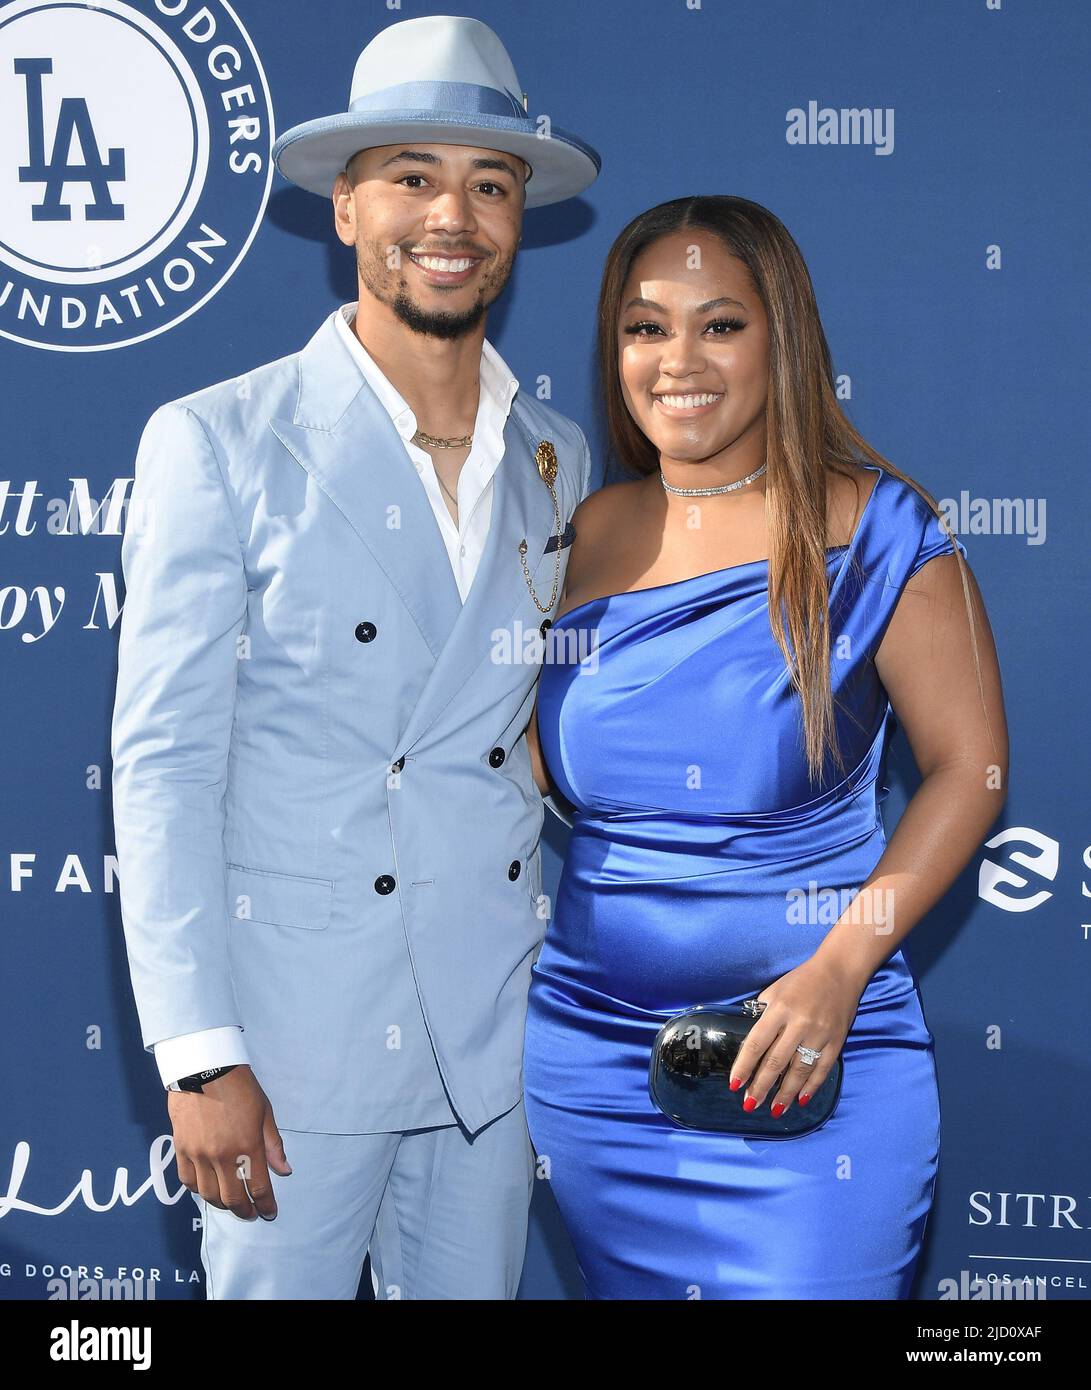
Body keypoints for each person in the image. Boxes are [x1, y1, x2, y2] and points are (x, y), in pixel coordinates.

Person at [110, 14, 599, 1300]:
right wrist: (199, 1052)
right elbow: (160, 767)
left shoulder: (560, 454)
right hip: (290, 1044)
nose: (453, 215)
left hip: (488, 1036)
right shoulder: (218, 441)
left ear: (516, 220)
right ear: (346, 209)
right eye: (413, 178)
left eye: (488, 184)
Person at [523, 195, 1008, 1300]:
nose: (675, 360)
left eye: (718, 324)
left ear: (781, 339)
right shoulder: (583, 534)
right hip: (591, 1067)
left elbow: (968, 774)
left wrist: (837, 971)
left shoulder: (883, 533)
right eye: (644, 327)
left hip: (812, 1051)